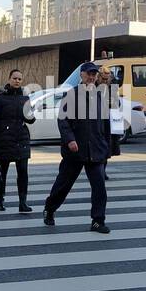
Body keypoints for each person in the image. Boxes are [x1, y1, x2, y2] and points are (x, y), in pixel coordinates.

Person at [43, 61, 114, 234]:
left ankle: (98, 220)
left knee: (99, 188)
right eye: (88, 74)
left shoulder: (100, 96)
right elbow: (63, 120)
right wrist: (70, 140)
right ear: (81, 75)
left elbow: (105, 124)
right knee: (63, 185)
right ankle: (50, 209)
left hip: (95, 150)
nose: (91, 77)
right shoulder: (71, 95)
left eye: (94, 74)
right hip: (75, 150)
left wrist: (107, 147)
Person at [0, 69, 36, 212]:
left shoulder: (25, 98)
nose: (17, 81)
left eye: (20, 79)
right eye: (14, 78)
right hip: (4, 140)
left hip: (21, 139)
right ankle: (0, 201)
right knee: (2, 173)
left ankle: (23, 203)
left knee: (23, 173)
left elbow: (30, 119)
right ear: (9, 79)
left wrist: (31, 113)